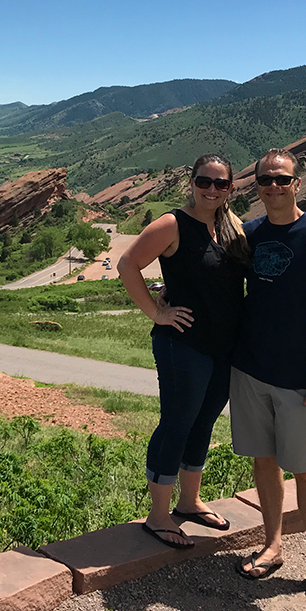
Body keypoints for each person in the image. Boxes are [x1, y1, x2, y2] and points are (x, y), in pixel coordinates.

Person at [230, 148, 306, 611]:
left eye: (283, 180)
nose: (274, 187)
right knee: (263, 462)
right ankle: (273, 543)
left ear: (298, 184)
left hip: (300, 376)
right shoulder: (249, 233)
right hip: (250, 369)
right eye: (266, 180)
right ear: (256, 185)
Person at [118, 154, 249, 548]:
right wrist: (157, 313)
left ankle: (189, 501)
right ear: (191, 183)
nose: (211, 189)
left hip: (223, 345)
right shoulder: (173, 224)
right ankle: (158, 515)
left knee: (203, 421)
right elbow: (128, 264)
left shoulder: (230, 228)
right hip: (183, 344)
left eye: (220, 183)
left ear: (231, 188)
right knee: (177, 421)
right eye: (204, 181)